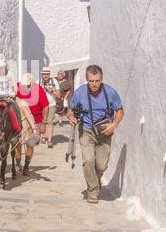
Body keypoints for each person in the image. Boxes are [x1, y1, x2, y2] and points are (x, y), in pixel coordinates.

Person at [66, 64, 124, 203]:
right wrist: (70, 116)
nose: (94, 84)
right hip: (86, 131)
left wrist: (114, 124)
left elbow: (120, 110)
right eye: (91, 81)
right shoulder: (80, 93)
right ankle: (93, 191)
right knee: (88, 161)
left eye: (97, 81)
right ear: (87, 79)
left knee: (101, 166)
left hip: (105, 132)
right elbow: (70, 110)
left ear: (101, 78)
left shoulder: (110, 92)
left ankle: (96, 180)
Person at [15, 72, 50, 171]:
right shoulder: (17, 86)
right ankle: (18, 165)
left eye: (27, 86)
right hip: (21, 120)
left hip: (36, 121)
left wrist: (44, 124)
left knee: (30, 145)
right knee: (17, 144)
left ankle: (26, 167)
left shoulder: (38, 89)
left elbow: (46, 107)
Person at [39, 67, 59, 146]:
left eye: (47, 74)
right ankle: (43, 137)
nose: (46, 75)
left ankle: (50, 140)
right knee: (42, 122)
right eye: (44, 74)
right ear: (42, 75)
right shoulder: (38, 82)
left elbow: (58, 95)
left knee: (50, 122)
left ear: (49, 74)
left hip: (51, 104)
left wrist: (50, 90)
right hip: (41, 106)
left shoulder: (54, 82)